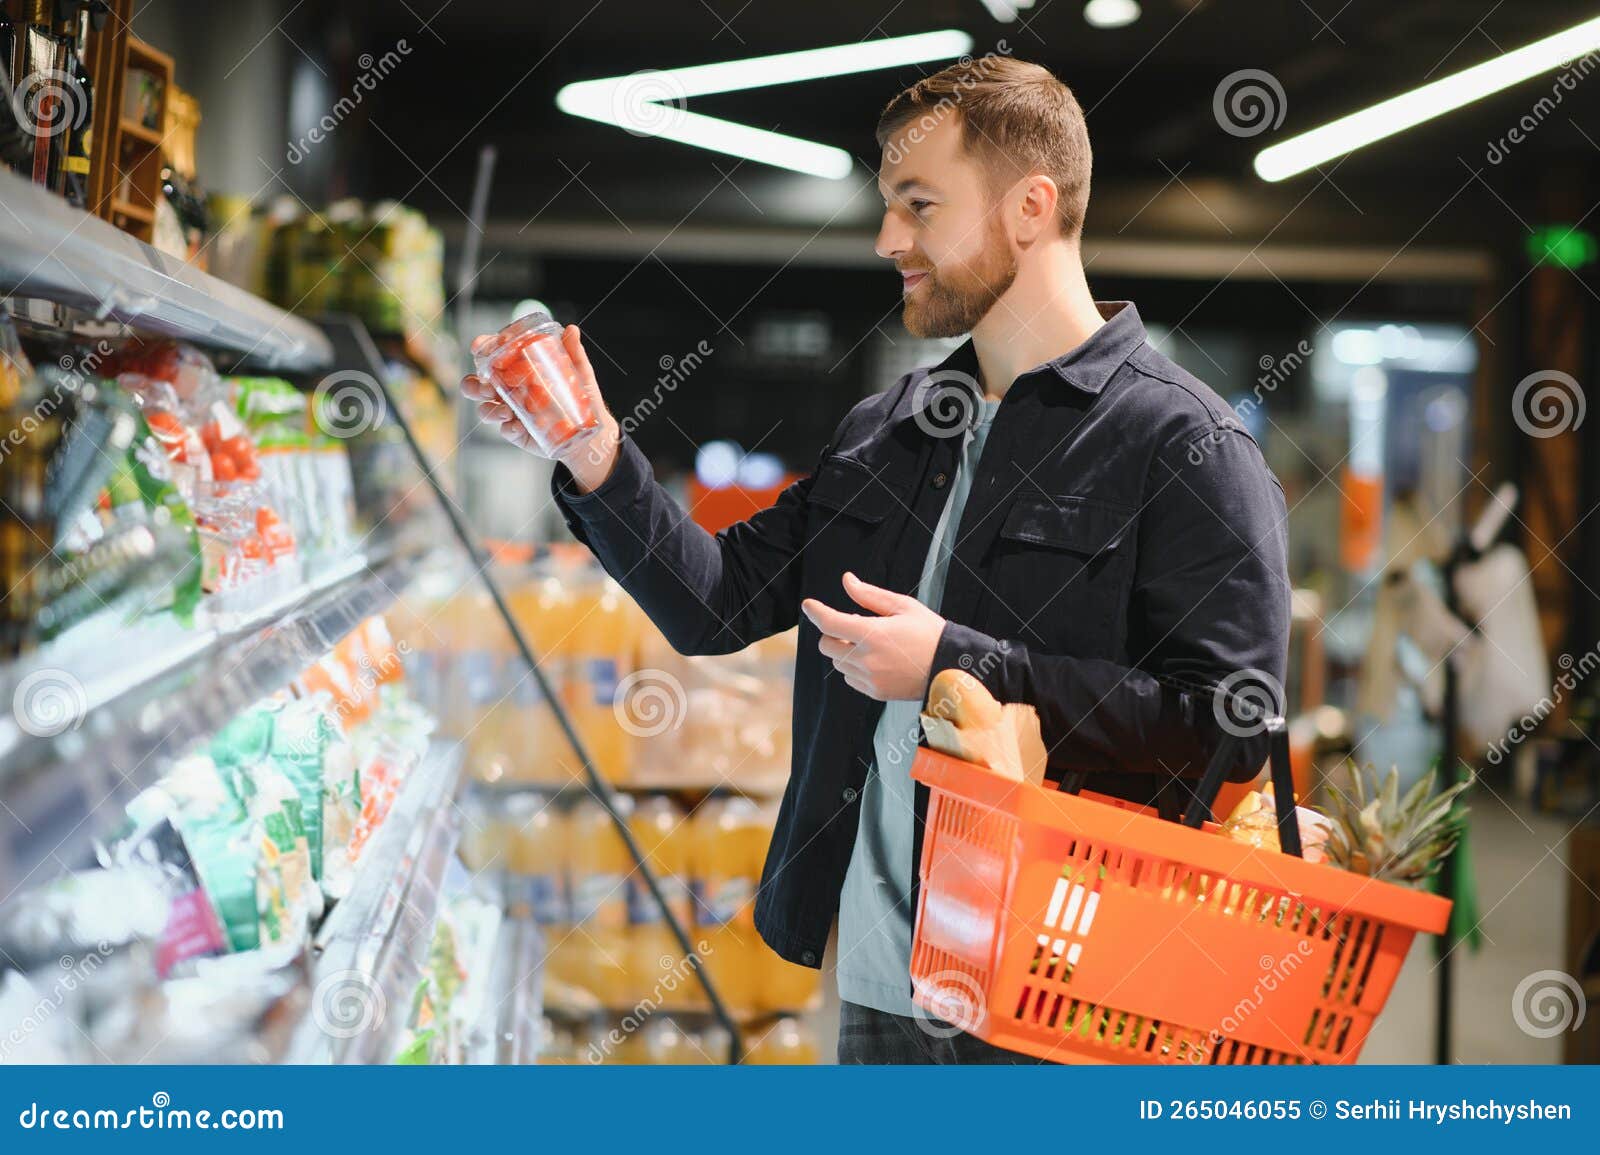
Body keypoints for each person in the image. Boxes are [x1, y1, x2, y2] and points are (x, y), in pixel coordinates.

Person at [462, 56, 1290, 1064]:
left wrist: (961, 662)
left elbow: (1230, 724)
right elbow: (714, 603)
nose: (887, 238)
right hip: (880, 984)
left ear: (1030, 208)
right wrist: (590, 448)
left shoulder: (1186, 446)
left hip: (1065, 1006)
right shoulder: (886, 431)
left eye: (919, 204)